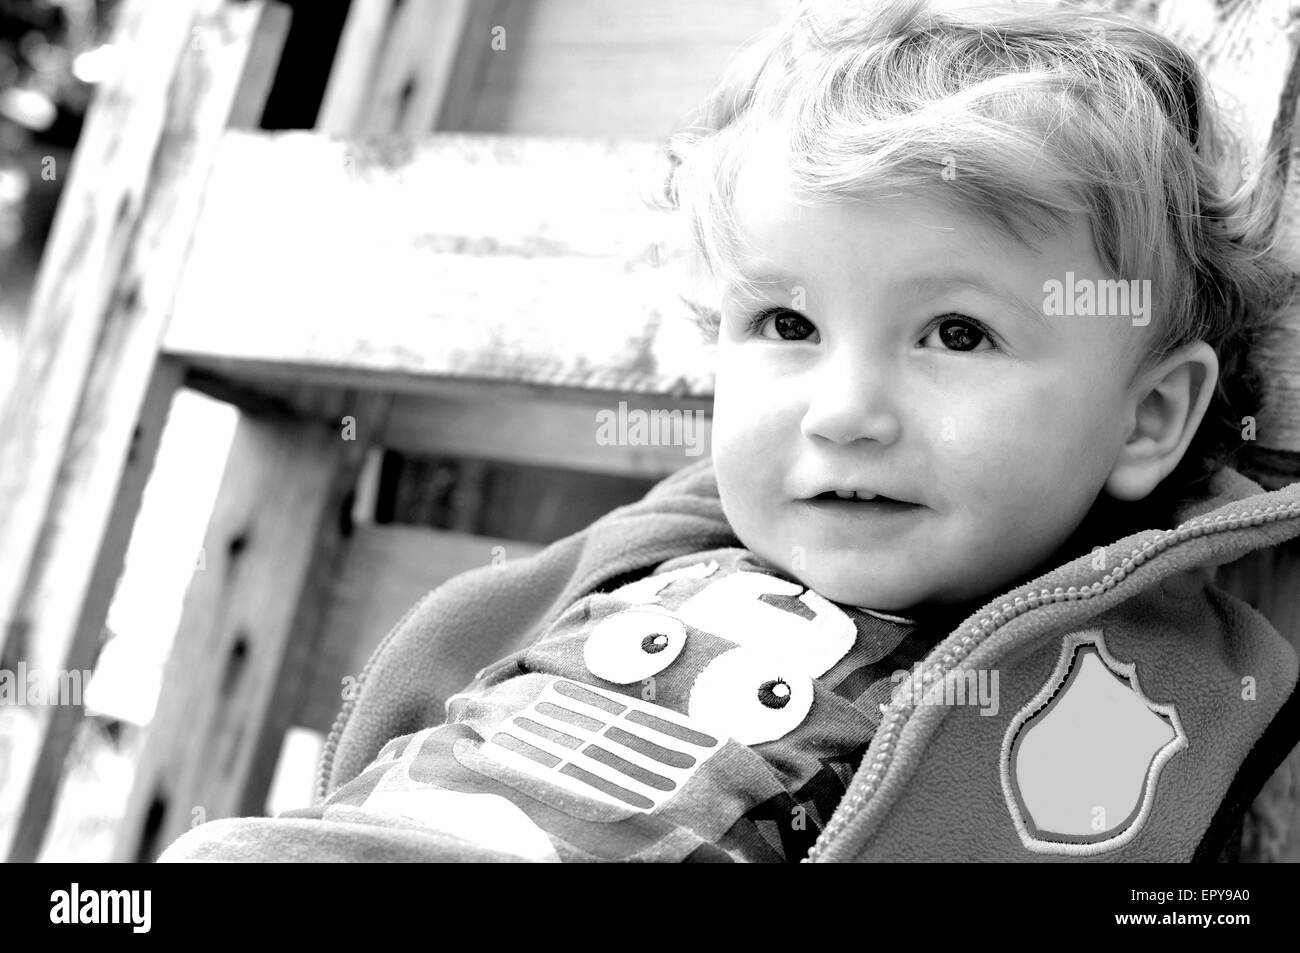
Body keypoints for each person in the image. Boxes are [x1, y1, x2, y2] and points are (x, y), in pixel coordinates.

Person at [160, 0, 1300, 862]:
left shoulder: (1119, 680)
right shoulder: (649, 554)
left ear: (1146, 417)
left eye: (956, 332)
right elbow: (408, 706)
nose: (843, 410)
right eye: (787, 321)